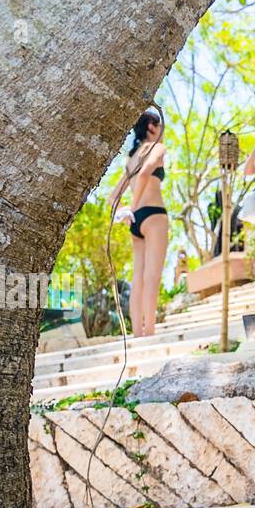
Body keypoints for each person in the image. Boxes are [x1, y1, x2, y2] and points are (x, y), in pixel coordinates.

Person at [111, 109, 168, 337]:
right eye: (160, 126)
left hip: (136, 223)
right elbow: (145, 174)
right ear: (151, 128)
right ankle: (150, 333)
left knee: (138, 277)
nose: (163, 132)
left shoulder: (130, 159)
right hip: (153, 215)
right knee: (152, 276)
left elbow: (112, 198)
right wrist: (133, 207)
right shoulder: (157, 148)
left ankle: (137, 334)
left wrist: (126, 212)